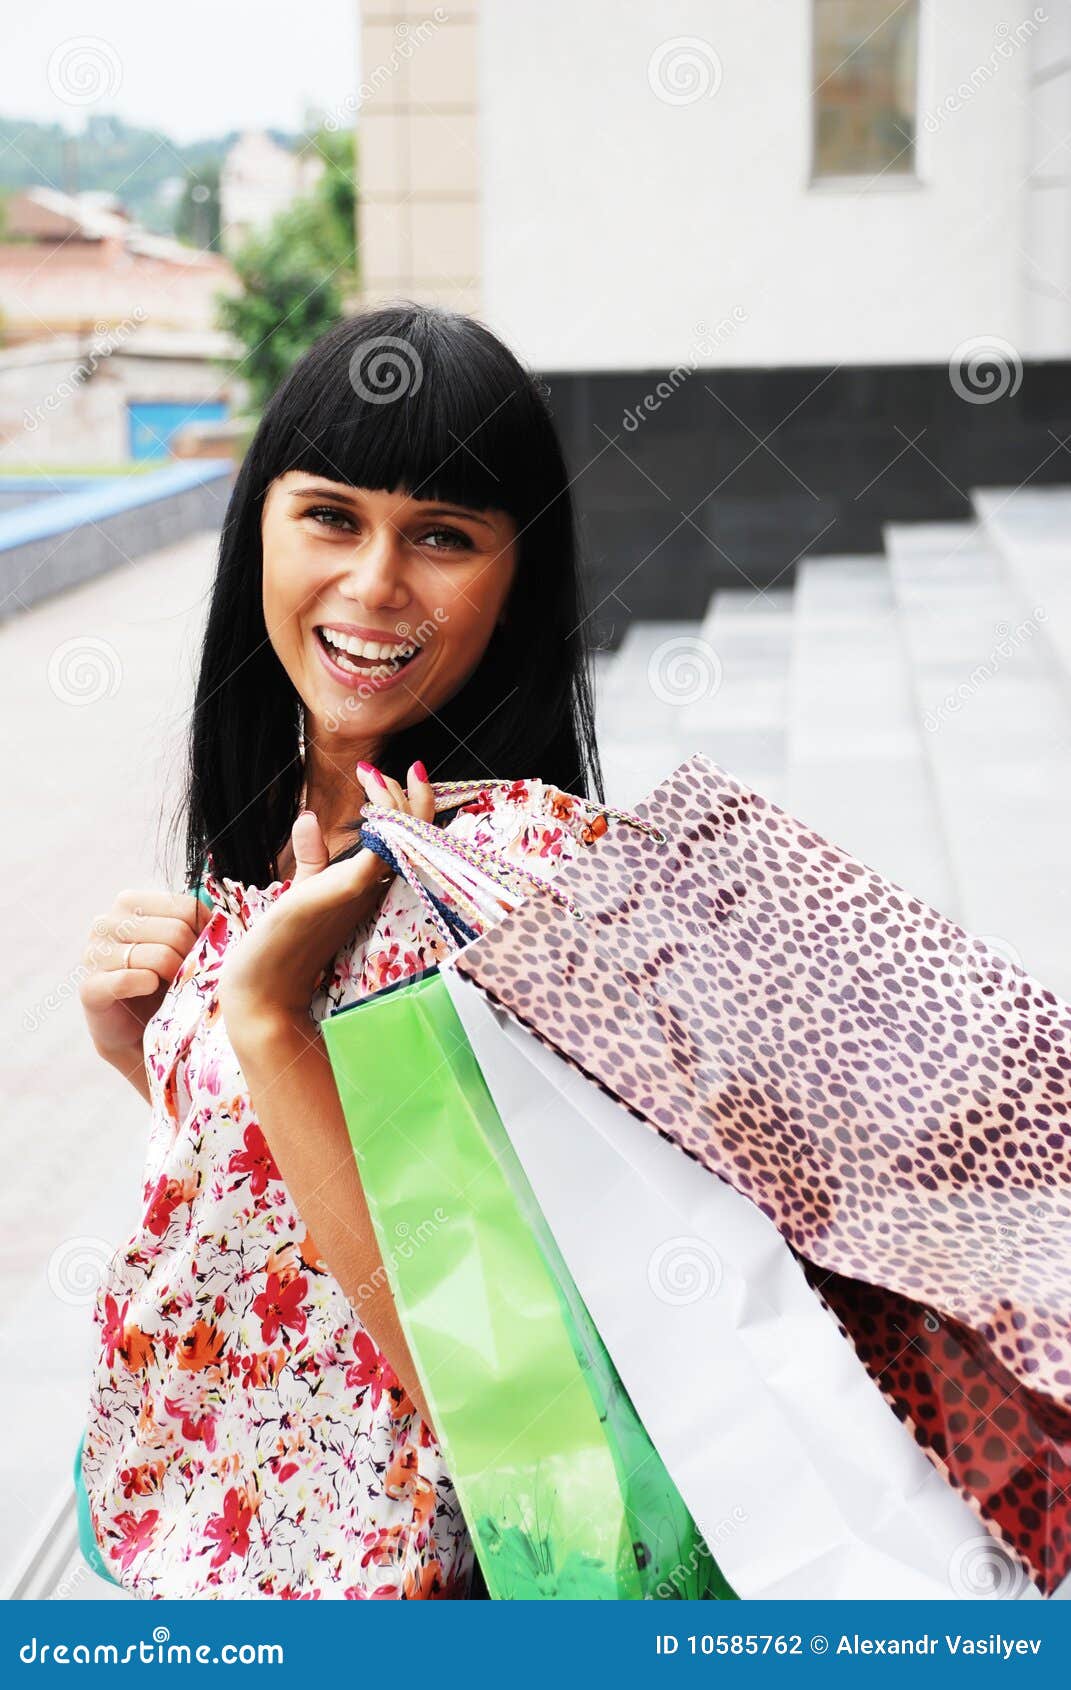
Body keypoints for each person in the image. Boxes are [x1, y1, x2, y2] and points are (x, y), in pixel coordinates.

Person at [75, 303, 606, 1598]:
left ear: (516, 571)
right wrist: (157, 1053)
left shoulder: (515, 880)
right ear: (257, 520)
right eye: (331, 515)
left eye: (443, 535)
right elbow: (302, 1217)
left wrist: (263, 1016)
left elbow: (500, 1384)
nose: (374, 584)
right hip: (201, 1560)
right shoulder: (276, 829)